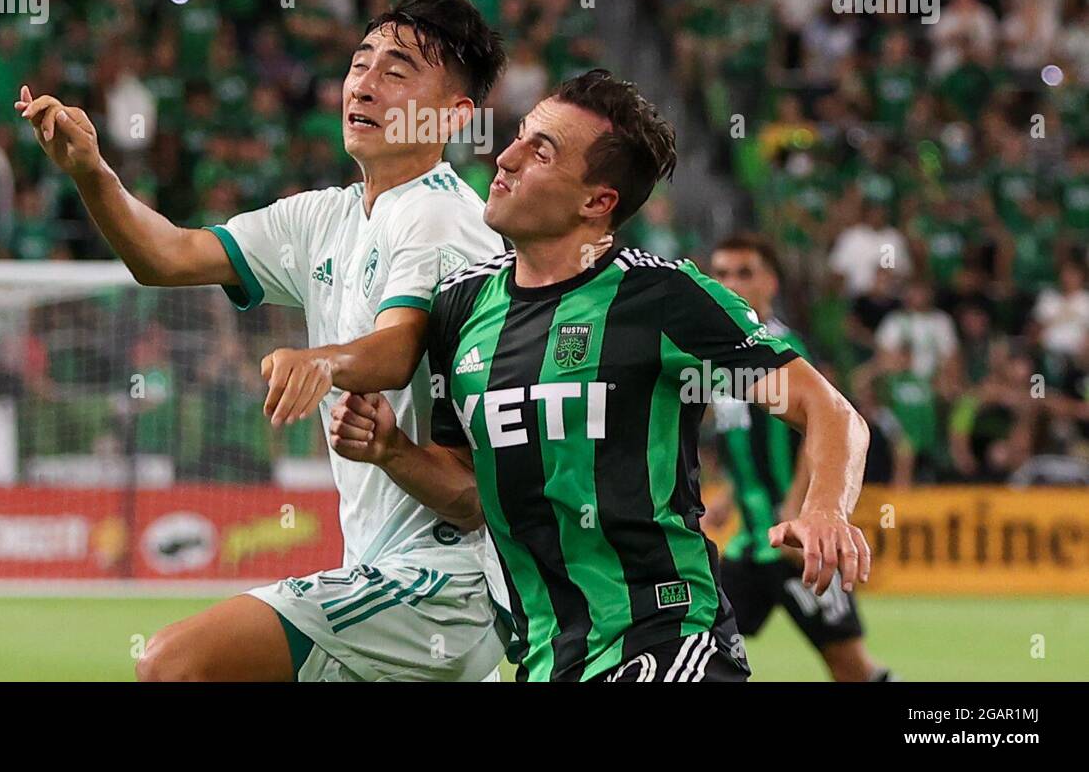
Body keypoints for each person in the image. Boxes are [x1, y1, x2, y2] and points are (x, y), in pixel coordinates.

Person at [17, 0, 512, 682]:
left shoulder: (440, 215)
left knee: (173, 665)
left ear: (454, 116)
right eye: (359, 63)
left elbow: (397, 349)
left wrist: (327, 362)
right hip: (391, 579)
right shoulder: (327, 218)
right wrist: (92, 171)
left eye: (396, 72)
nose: (364, 85)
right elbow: (168, 255)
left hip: (443, 581)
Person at [316, 70, 872, 682]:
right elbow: (469, 495)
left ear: (597, 201)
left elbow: (829, 410)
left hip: (668, 642)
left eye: (540, 151)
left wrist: (827, 509)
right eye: (521, 136)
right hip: (546, 657)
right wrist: (392, 450)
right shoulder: (460, 305)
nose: (505, 156)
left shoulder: (664, 297)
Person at [704, 233, 893, 682]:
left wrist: (801, 506)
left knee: (851, 668)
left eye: (744, 273)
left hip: (794, 543)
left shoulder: (785, 352)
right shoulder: (718, 357)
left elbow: (823, 428)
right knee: (700, 653)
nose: (731, 283)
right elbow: (746, 442)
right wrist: (729, 496)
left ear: (771, 283)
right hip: (750, 545)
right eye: (722, 273)